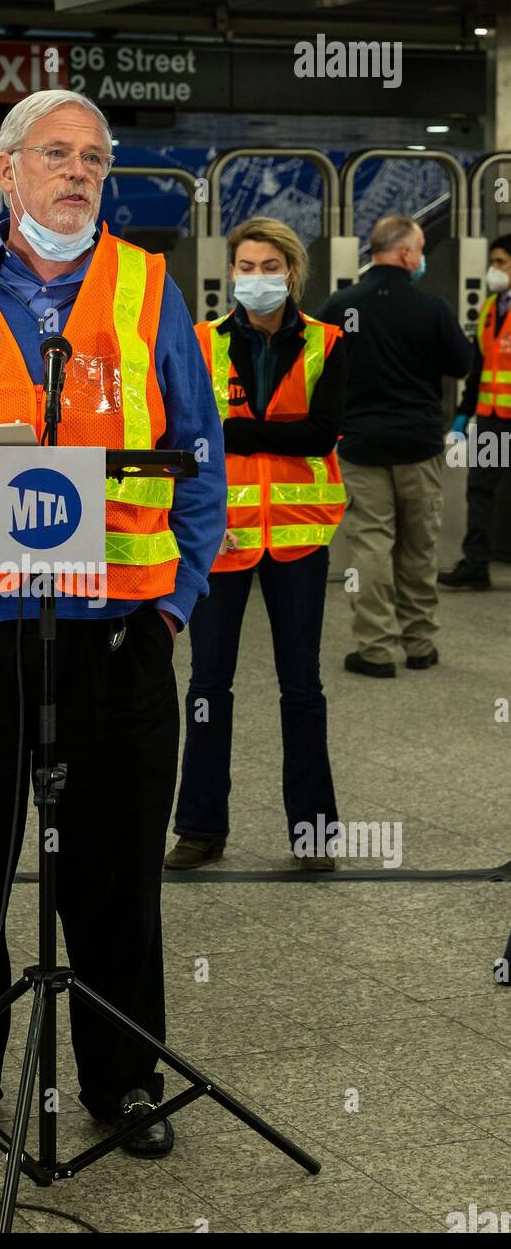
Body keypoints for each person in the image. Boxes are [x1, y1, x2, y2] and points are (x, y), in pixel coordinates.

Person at [0, 89, 226, 1157]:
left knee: (116, 880)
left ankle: (123, 1082)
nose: (77, 174)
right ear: (6, 170)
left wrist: (171, 605)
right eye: (55, 155)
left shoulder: (149, 291)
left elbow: (199, 462)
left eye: (95, 160)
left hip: (115, 636)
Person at [165, 216, 346, 875]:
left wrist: (239, 430)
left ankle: (315, 833)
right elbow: (190, 437)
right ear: (231, 272)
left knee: (303, 688)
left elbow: (322, 435)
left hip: (300, 542)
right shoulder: (199, 343)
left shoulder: (330, 342)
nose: (258, 279)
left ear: (293, 273)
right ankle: (200, 827)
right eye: (247, 266)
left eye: (271, 267)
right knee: (209, 683)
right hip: (220, 539)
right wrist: (262, 431)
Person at [317, 215, 471, 677]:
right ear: (405, 253)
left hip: (361, 445)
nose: (421, 258)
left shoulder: (341, 305)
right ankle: (420, 644)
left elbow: (316, 368)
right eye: (420, 250)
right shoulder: (432, 307)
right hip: (420, 444)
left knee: (370, 545)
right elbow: (462, 364)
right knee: (419, 547)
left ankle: (376, 650)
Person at [438, 234, 511, 591]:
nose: (493, 271)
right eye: (493, 263)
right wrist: (461, 418)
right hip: (492, 419)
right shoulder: (489, 310)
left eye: (500, 263)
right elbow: (479, 370)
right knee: (480, 487)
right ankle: (476, 564)